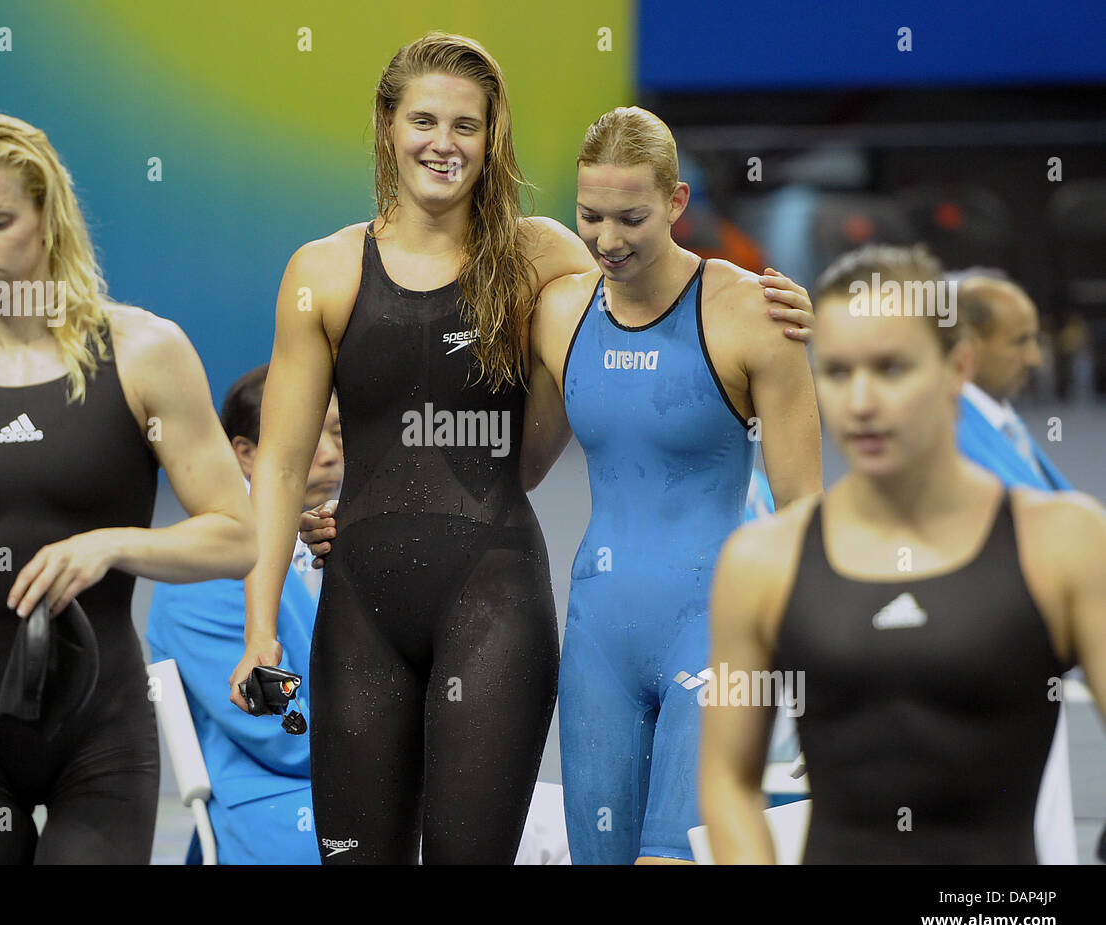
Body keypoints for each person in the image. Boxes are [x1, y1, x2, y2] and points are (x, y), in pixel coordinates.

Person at [298, 107, 821, 865]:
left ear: (677, 204)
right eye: (592, 216)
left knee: (673, 859)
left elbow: (804, 512)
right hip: (598, 641)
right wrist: (368, 513)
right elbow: (516, 466)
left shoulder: (755, 315)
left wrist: (818, 674)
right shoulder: (560, 311)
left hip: (720, 630)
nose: (608, 240)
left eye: (632, 217)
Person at [228, 32, 607, 865]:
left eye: (467, 126)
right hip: (360, 614)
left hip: (494, 602)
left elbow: (652, 304)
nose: (445, 144)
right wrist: (261, 628)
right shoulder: (323, 273)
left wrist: (754, 302)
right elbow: (283, 466)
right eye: (425, 121)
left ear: (493, 136)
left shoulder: (541, 256)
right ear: (388, 126)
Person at [0, 113, 256, 864]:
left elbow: (239, 535)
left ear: (47, 221)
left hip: (101, 728)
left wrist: (114, 544)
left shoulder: (145, 354)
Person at [702, 245, 1106, 864]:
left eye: (891, 369)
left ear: (958, 368)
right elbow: (728, 782)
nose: (861, 401)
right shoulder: (759, 561)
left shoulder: (1065, 543)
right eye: (837, 373)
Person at [147, 366, 341, 865]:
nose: (328, 452)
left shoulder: (358, 541)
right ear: (246, 454)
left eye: (337, 432)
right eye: (307, 434)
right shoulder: (199, 577)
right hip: (287, 816)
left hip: (386, 796)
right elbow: (288, 735)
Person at [953, 273, 1077, 864]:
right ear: (968, 347)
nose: (1035, 357)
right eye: (1020, 341)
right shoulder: (951, 435)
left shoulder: (1001, 420)